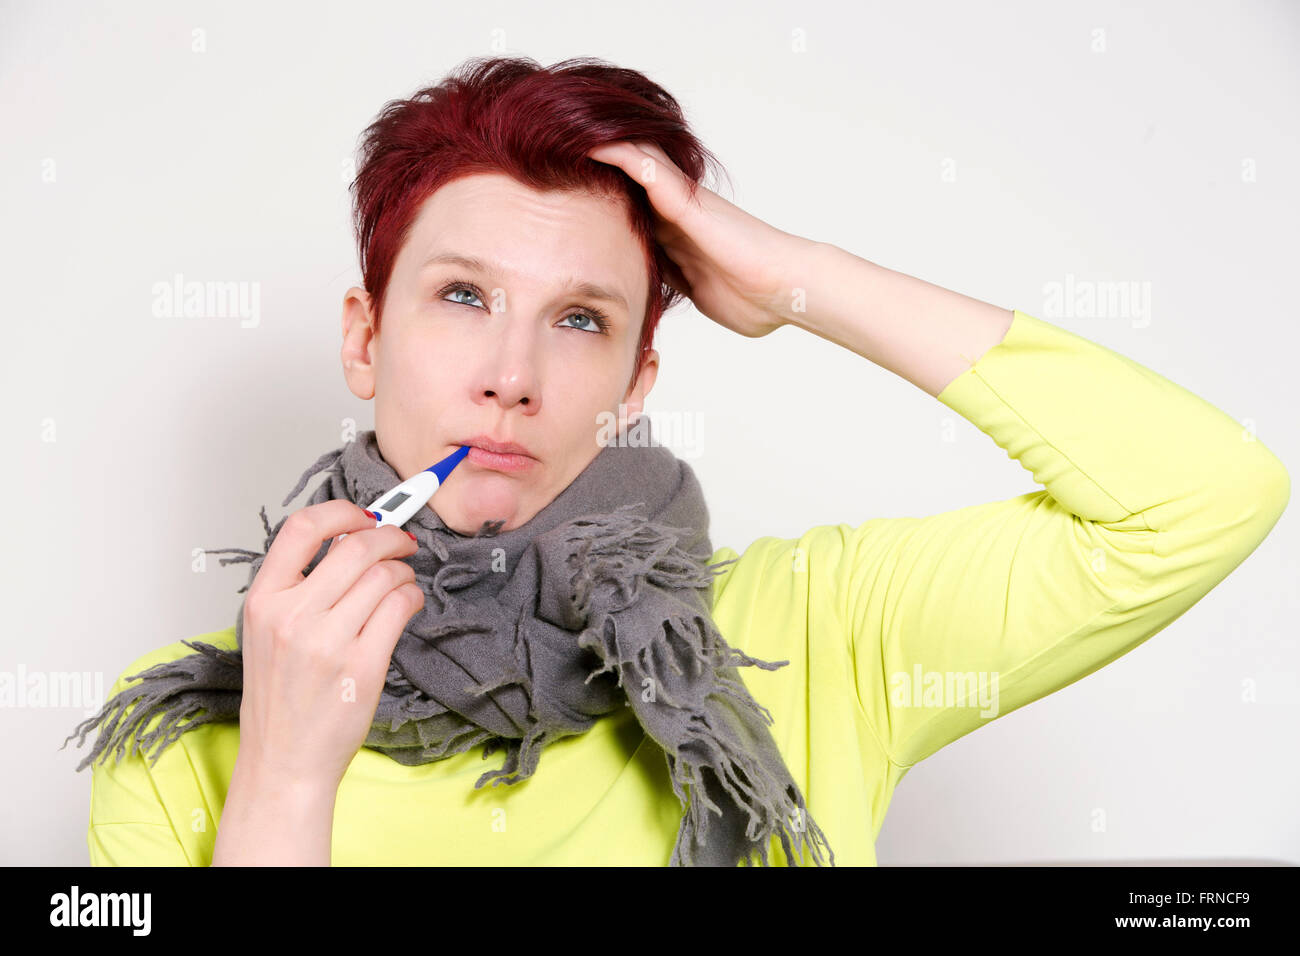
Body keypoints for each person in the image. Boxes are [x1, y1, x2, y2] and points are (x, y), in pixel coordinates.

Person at [68, 55, 1289, 866]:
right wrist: (283, 777)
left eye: (582, 318)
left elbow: (1201, 494)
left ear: (636, 386)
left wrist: (795, 279)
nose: (513, 373)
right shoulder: (187, 746)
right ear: (363, 336)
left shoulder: (807, 637)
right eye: (461, 295)